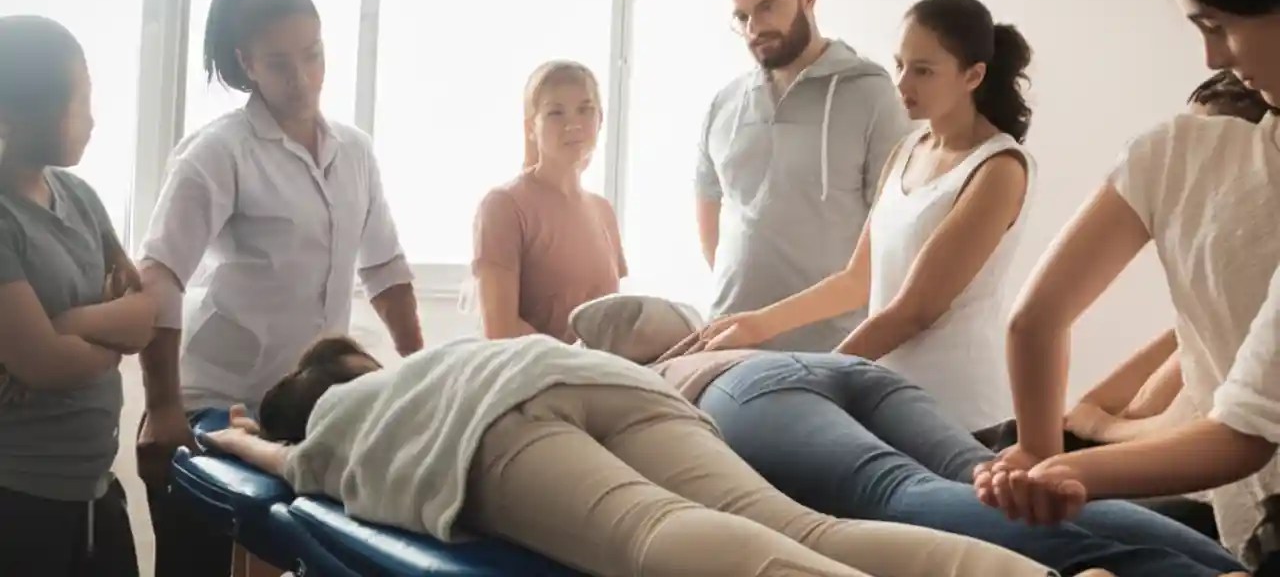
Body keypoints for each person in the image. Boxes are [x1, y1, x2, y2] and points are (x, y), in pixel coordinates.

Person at [974, 0, 1280, 564]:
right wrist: (1069, 449)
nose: (1211, 56)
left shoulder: (1173, 152)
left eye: (1219, 24)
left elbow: (1241, 428)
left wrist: (1058, 463)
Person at [204, 335, 1057, 577]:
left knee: (653, 536)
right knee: (811, 529)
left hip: (501, 425)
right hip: (618, 383)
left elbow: (284, 466)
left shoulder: (347, 416)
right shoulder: (436, 360)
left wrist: (235, 435)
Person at [568, 294, 1247, 577]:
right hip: (850, 367)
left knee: (902, 494)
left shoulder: (644, 375)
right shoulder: (711, 333)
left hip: (752, 395)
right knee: (998, 480)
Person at [133, 0, 424, 577]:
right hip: (213, 403)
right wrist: (162, 407)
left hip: (306, 413)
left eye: (313, 55)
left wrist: (423, 374)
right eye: (280, 63)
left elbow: (386, 271)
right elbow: (159, 278)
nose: (302, 78)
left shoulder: (355, 152)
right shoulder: (219, 152)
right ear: (247, 64)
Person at [698, 0, 1035, 431]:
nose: (902, 84)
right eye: (900, 65)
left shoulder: (998, 169)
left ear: (972, 76)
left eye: (923, 71)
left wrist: (813, 380)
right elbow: (858, 280)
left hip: (961, 416)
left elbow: (914, 309)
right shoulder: (908, 150)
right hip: (885, 401)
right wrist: (756, 325)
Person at [973, 70, 1275, 539]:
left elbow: (1224, 434)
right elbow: (1094, 404)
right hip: (1099, 453)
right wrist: (1077, 436)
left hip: (1187, 485)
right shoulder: (1199, 326)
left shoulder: (1244, 337)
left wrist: (1073, 452)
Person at [695, 0, 911, 352]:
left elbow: (892, 234)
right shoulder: (724, 103)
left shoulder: (872, 95)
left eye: (767, 6)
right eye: (742, 16)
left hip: (831, 352)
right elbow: (708, 203)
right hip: (727, 347)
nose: (754, 27)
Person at [0, 16, 157, 576]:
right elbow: (42, 363)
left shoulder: (80, 196)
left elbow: (143, 313)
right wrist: (100, 341)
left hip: (93, 489)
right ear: (22, 113)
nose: (93, 118)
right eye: (80, 98)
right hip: (18, 500)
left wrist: (65, 323)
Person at [472, 61, 626, 342]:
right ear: (531, 127)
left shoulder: (603, 212)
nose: (573, 124)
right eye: (556, 113)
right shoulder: (503, 206)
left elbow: (612, 324)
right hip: (536, 375)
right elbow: (500, 330)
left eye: (585, 110)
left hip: (601, 376)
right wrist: (574, 365)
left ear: (600, 119)